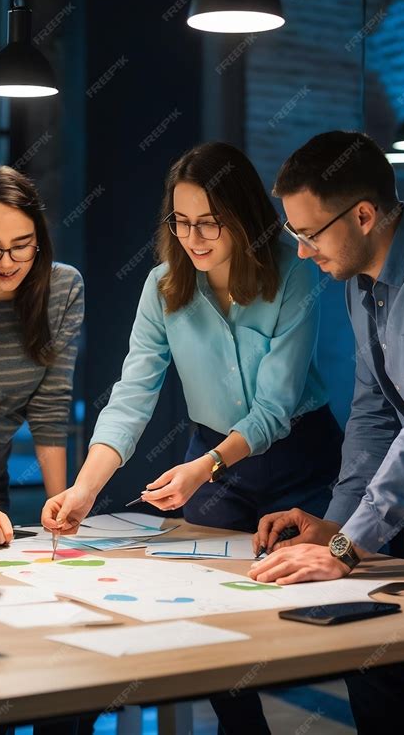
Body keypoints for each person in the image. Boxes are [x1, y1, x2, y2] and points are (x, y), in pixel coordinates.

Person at [42, 141, 342, 735]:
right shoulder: (161, 287)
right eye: (181, 222)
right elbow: (131, 398)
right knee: (207, 604)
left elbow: (275, 408)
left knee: (339, 611)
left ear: (245, 217)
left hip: (305, 456)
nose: (194, 237)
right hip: (215, 459)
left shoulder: (293, 270)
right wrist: (82, 492)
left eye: (210, 222)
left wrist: (204, 466)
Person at [248, 130, 404, 735]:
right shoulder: (360, 284)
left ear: (365, 215)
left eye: (309, 233)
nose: (300, 252)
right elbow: (377, 412)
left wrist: (347, 549)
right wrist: (338, 524)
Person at [0, 165, 84, 548]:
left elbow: (50, 405)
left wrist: (60, 509)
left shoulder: (62, 289)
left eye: (21, 245)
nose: (7, 263)